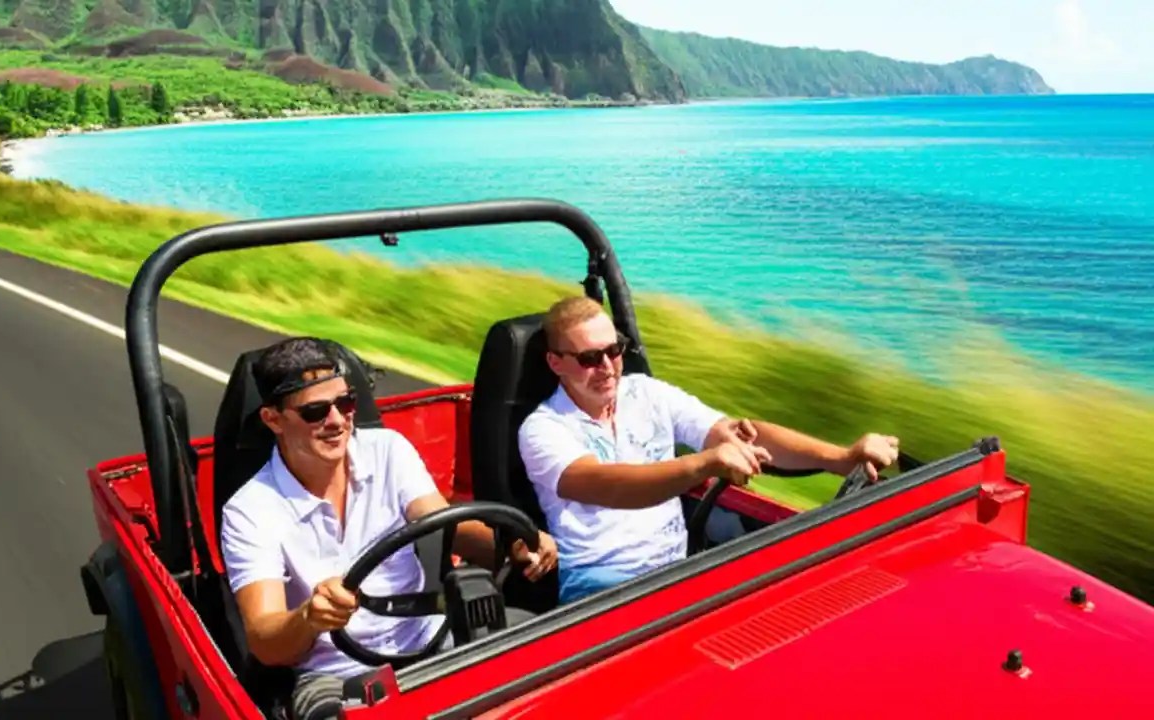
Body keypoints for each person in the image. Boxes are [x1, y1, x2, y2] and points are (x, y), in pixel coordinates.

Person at [221, 337, 557, 718]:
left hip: (432, 640)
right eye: (315, 411)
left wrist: (515, 542)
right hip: (338, 675)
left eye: (346, 403)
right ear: (273, 420)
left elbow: (448, 525)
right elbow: (265, 639)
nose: (336, 421)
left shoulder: (387, 450)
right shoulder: (249, 510)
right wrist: (308, 618)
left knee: (549, 670)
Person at [517, 297, 898, 605]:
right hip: (601, 591)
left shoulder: (647, 393)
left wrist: (842, 457)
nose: (606, 367)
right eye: (588, 358)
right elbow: (608, 486)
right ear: (556, 362)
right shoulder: (544, 428)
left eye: (613, 351)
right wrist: (703, 464)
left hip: (679, 573)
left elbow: (736, 434)